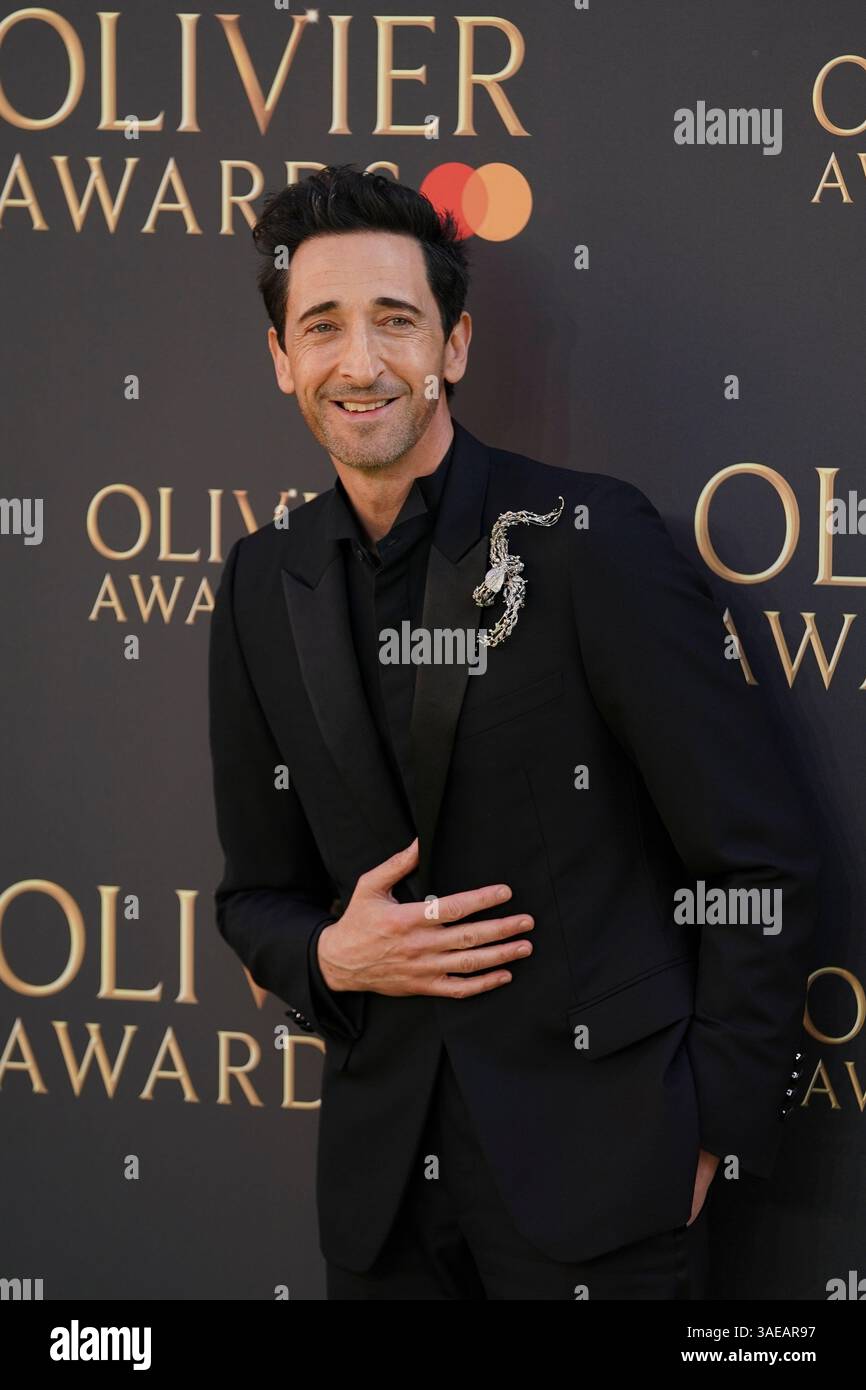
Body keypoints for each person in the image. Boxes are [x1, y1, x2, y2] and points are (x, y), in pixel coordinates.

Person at [207, 163, 817, 1299]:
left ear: (455, 346)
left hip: (607, 1189)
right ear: (281, 358)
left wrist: (706, 1134)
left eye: (397, 321)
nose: (360, 361)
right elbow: (254, 897)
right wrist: (330, 955)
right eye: (322, 326)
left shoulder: (590, 541)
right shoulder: (256, 584)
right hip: (381, 1209)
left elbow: (755, 859)